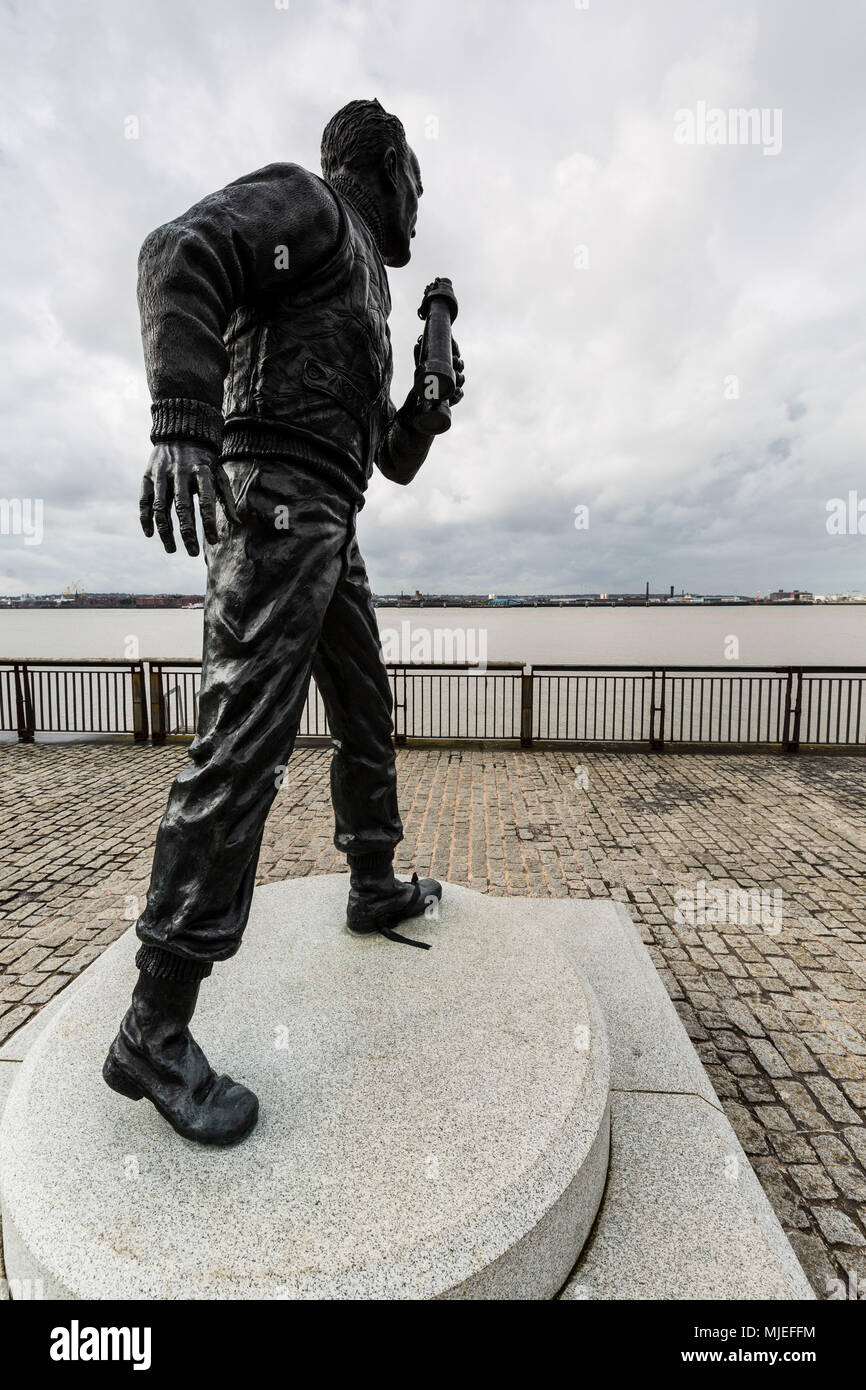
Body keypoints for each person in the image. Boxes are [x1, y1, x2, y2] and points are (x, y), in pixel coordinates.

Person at [102, 99, 465, 1145]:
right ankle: (154, 1027)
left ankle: (371, 877)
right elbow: (179, 251)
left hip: (331, 517)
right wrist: (182, 421)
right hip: (268, 502)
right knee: (242, 749)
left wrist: (423, 419)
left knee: (366, 709)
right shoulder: (308, 206)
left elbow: (386, 459)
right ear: (381, 165)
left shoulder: (375, 289)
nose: (418, 204)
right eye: (415, 181)